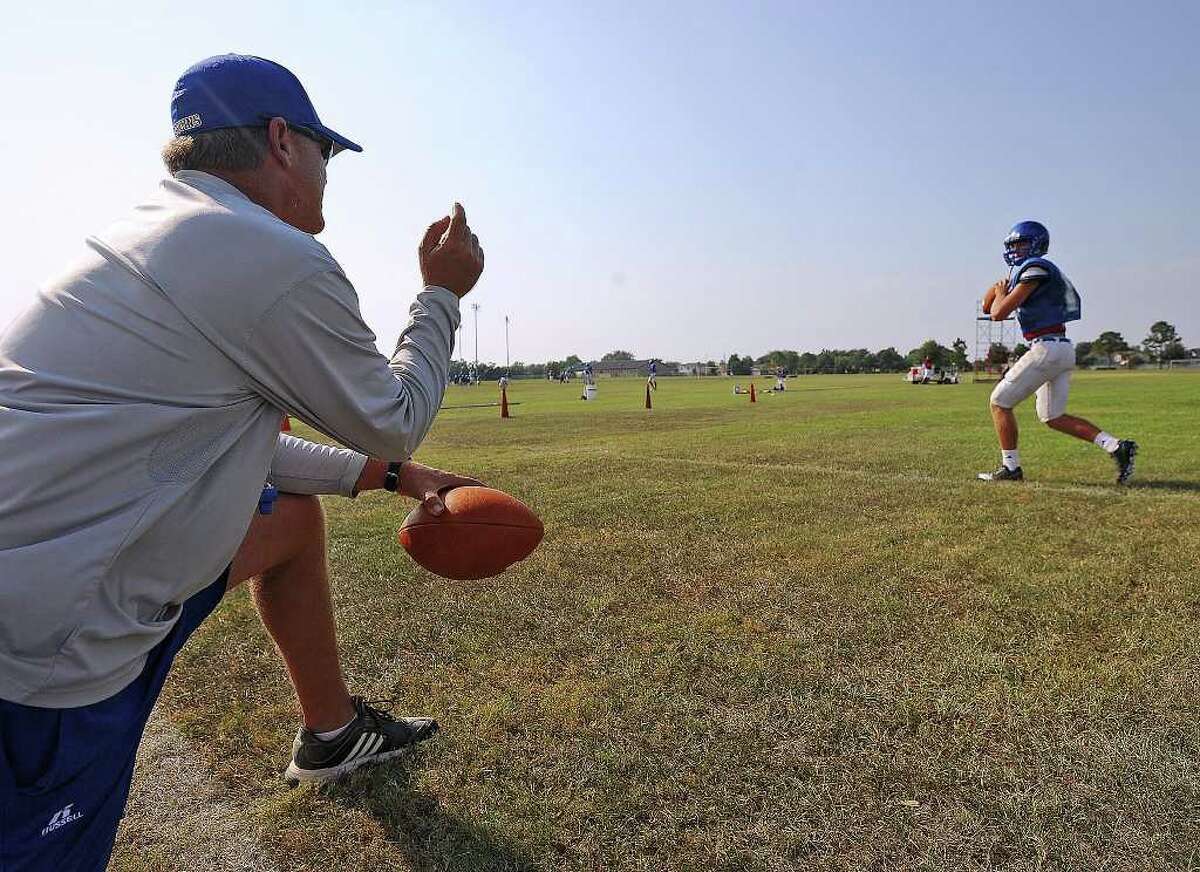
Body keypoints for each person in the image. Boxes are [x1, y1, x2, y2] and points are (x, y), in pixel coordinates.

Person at [0, 54, 485, 870]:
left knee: (290, 520)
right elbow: (392, 419)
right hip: (48, 639)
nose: (329, 178)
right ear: (280, 140)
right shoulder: (266, 252)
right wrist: (441, 294)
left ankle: (331, 733)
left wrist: (391, 480)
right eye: (325, 155)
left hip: (43, 560)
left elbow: (220, 441)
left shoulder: (154, 228)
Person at [977, 221, 1136, 483]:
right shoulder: (1025, 270)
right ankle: (1117, 446)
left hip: (1046, 348)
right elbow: (987, 306)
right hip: (1059, 348)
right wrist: (997, 289)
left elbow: (998, 313)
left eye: (1022, 243)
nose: (1016, 249)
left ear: (1037, 243)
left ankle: (1011, 468)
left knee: (999, 403)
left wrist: (1001, 294)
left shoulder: (1036, 267)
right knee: (1053, 416)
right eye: (1013, 245)